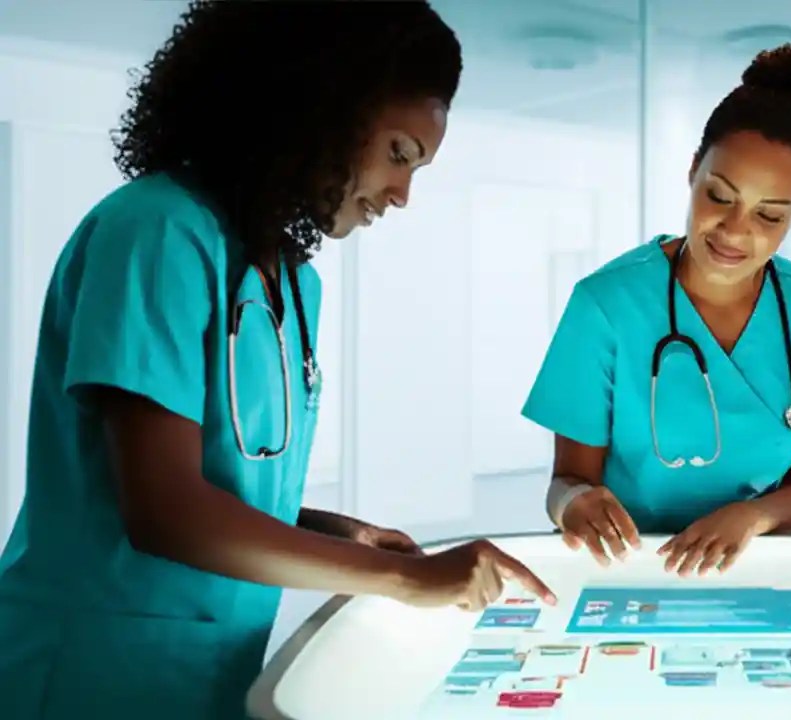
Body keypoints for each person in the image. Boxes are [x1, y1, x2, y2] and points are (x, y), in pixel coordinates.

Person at [0, 3, 554, 719]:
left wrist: (335, 533)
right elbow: (164, 508)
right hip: (88, 668)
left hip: (209, 670)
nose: (402, 195)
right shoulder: (155, 231)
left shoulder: (293, 281)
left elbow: (226, 481)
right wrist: (398, 578)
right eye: (398, 154)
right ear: (320, 107)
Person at [521, 45, 791, 577]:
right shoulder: (606, 304)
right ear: (692, 171)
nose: (736, 230)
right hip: (623, 567)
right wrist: (574, 505)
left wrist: (751, 517)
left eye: (770, 215)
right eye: (719, 196)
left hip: (753, 567)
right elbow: (566, 482)